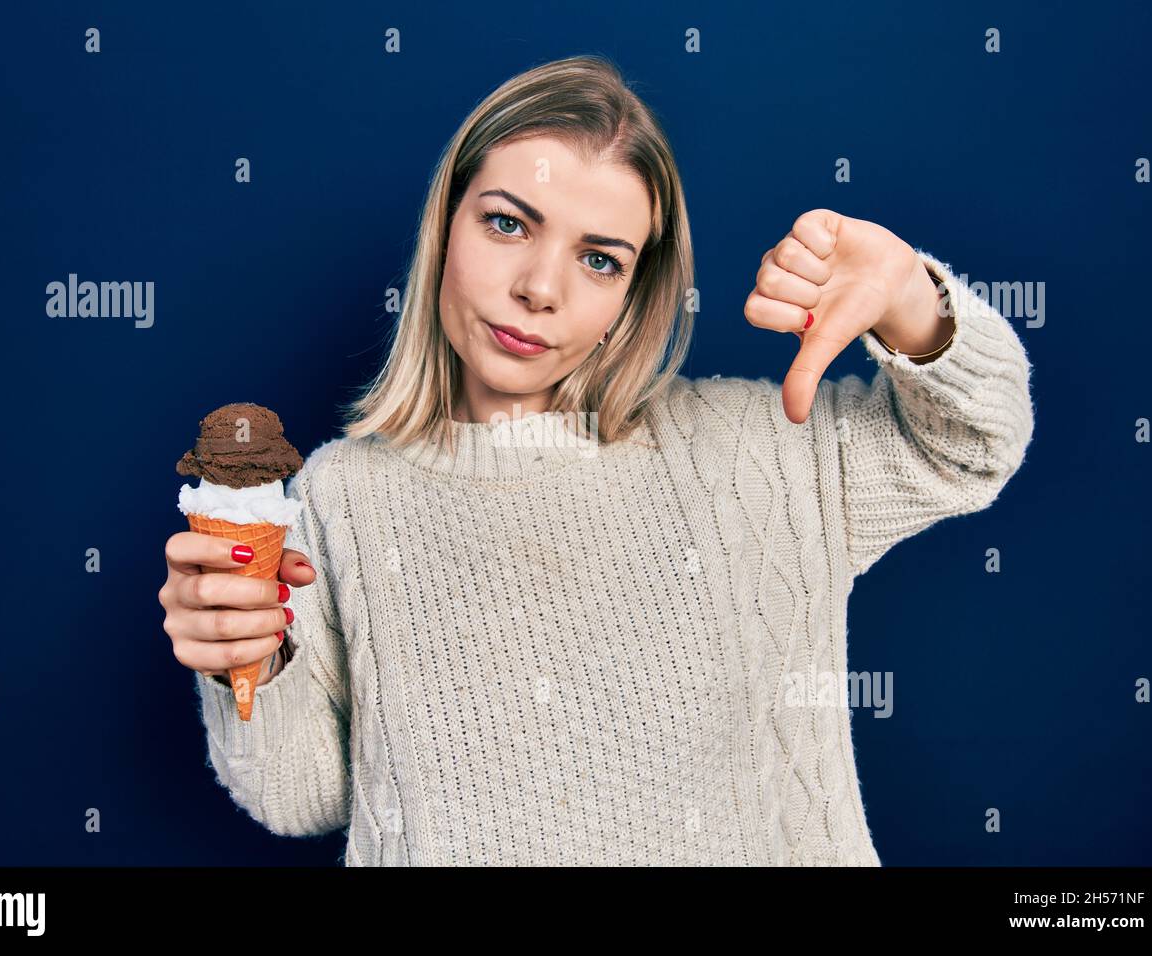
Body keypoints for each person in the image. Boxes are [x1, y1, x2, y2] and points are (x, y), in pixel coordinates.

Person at [158, 54, 1034, 865]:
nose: (540, 287)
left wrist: (908, 297)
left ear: (632, 295)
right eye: (507, 223)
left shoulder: (755, 452)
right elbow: (298, 795)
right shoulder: (341, 498)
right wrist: (243, 662)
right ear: (446, 228)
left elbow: (971, 445)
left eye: (599, 258)